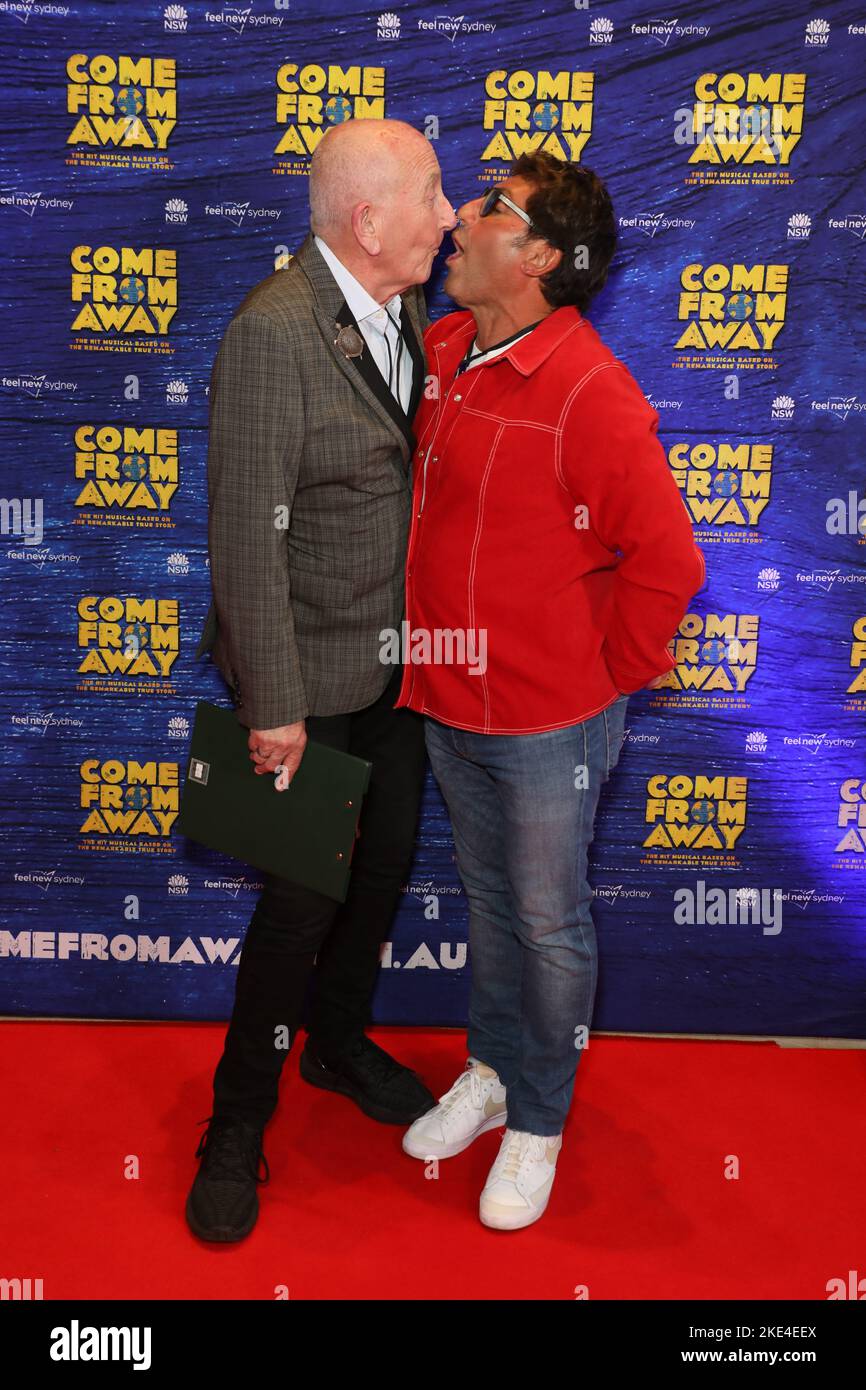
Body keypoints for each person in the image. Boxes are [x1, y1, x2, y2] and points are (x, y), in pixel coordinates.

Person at [398, 153, 706, 1230]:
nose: (459, 220)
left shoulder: (592, 392)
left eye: (487, 208)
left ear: (535, 257)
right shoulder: (443, 346)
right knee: (492, 907)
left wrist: (597, 684)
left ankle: (538, 1117)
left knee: (549, 921)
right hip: (445, 695)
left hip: (547, 723)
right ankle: (490, 1070)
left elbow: (667, 565)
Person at [187, 118, 457, 1243]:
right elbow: (247, 539)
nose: (450, 216)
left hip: (397, 677)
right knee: (298, 906)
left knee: (382, 871)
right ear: (369, 220)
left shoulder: (407, 312)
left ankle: (337, 1046)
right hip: (304, 682)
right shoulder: (275, 329)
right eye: (436, 195)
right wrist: (275, 709)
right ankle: (234, 1126)